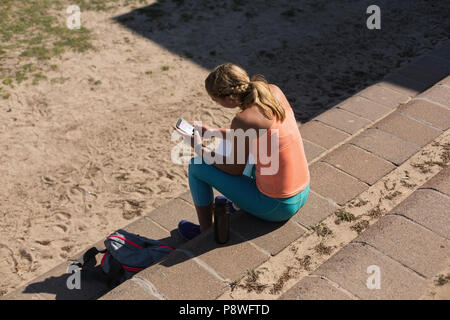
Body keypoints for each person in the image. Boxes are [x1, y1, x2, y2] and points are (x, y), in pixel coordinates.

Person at [173, 63, 310, 240]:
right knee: (248, 154)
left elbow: (234, 168)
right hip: (302, 191)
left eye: (216, 100)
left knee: (197, 165)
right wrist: (214, 132)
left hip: (278, 206)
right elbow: (258, 134)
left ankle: (204, 233)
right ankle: (239, 204)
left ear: (230, 98)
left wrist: (199, 147)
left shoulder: (242, 120)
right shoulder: (272, 92)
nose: (217, 103)